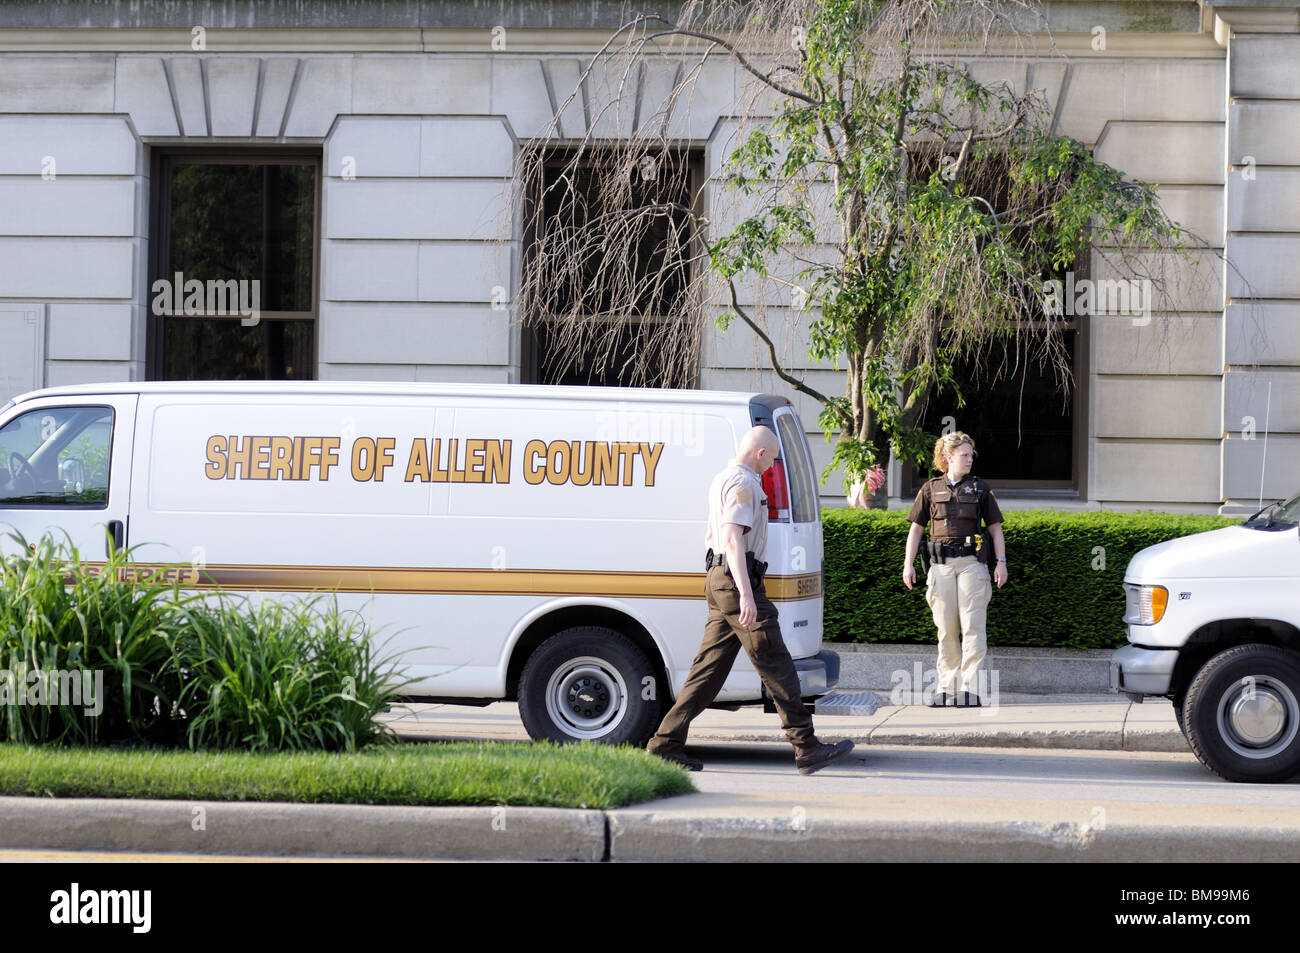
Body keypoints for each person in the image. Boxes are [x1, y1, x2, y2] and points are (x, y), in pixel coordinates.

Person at [646, 425, 855, 774]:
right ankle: (806, 747)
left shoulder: (723, 478)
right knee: (776, 662)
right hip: (736, 581)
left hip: (721, 580)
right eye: (771, 458)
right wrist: (746, 594)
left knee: (707, 672)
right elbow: (732, 538)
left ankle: (665, 744)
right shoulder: (743, 483)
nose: (771, 465)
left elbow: (719, 538)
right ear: (760, 453)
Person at [902, 432, 1008, 707]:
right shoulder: (929, 489)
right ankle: (947, 688)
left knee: (973, 627)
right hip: (941, 567)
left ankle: (970, 690)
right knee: (946, 629)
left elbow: (995, 529)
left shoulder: (980, 488)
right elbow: (916, 529)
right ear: (949, 457)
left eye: (971, 455)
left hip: (972, 564)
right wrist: (908, 564)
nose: (970, 459)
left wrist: (1001, 562)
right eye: (965, 455)